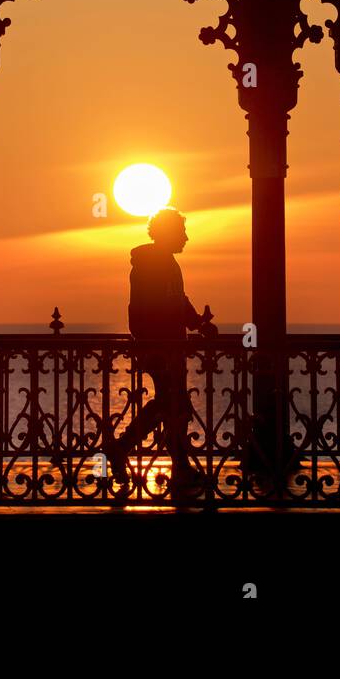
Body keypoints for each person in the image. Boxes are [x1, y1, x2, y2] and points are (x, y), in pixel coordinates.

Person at [104, 207, 217, 493]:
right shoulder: (152, 264)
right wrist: (161, 341)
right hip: (162, 347)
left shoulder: (163, 263)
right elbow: (154, 307)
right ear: (169, 234)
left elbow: (177, 299)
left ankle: (178, 468)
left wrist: (196, 323)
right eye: (182, 232)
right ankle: (125, 447)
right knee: (171, 402)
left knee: (174, 405)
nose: (187, 238)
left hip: (168, 346)